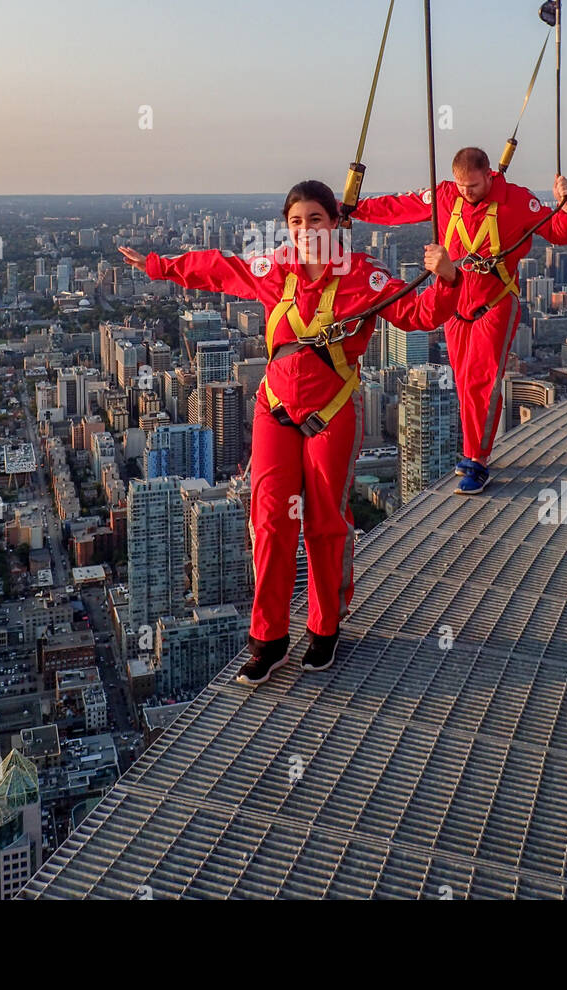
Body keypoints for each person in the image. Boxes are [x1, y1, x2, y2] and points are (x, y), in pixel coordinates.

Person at [118, 179, 463, 685]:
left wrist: (448, 279)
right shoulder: (275, 269)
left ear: (336, 223)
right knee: (270, 521)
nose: (305, 231)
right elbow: (219, 268)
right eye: (296, 222)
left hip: (333, 410)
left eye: (315, 220)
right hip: (275, 408)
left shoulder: (362, 277)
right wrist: (159, 265)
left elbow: (418, 314)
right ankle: (270, 637)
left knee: (325, 522)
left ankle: (325, 627)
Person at [352, 147, 567, 494]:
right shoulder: (445, 195)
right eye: (461, 185)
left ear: (489, 175)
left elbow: (560, 233)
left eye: (472, 186)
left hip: (495, 302)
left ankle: (478, 460)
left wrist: (565, 202)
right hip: (455, 305)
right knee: (463, 382)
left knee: (480, 382)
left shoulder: (516, 201)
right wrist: (356, 208)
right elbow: (402, 206)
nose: (465, 192)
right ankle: (474, 451)